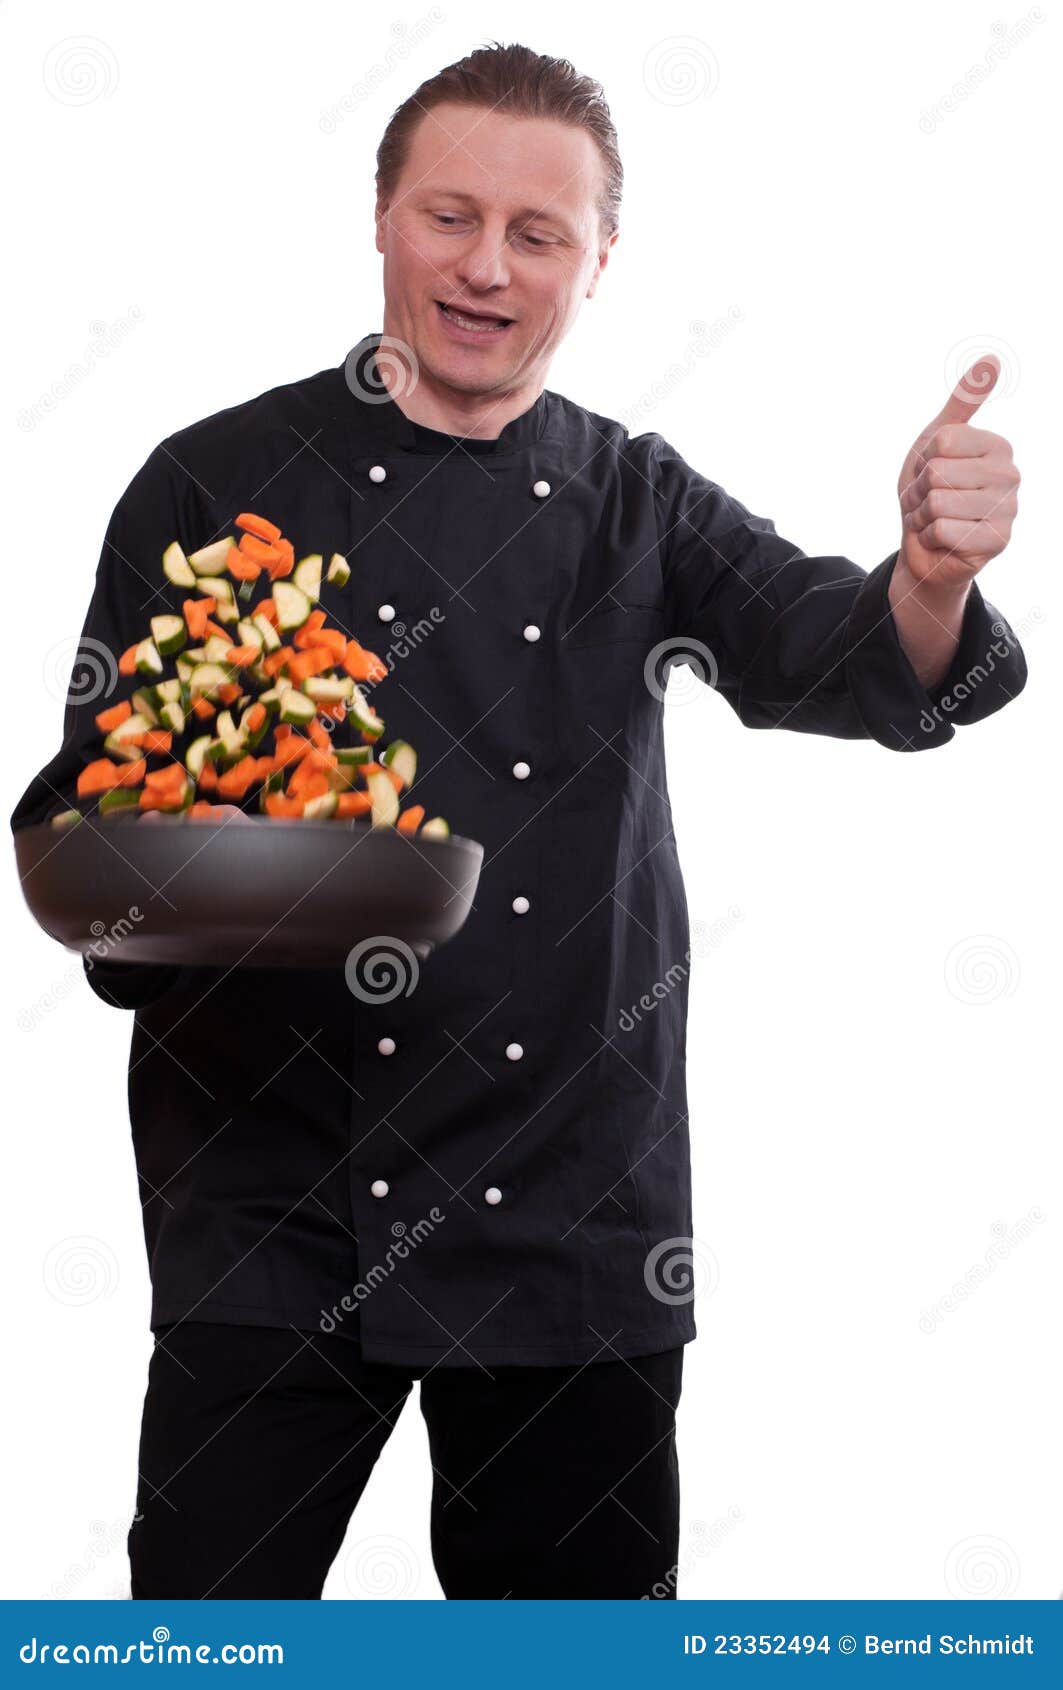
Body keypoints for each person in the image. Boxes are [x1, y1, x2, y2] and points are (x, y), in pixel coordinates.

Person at [11, 42, 1026, 1599]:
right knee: (202, 1653)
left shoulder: (637, 500)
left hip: (569, 1214)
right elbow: (98, 814)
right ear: (381, 218)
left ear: (598, 261)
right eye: (450, 216)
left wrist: (933, 579)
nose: (486, 267)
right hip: (264, 1207)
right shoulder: (213, 484)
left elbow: (836, 649)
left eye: (538, 233)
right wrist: (195, 852)